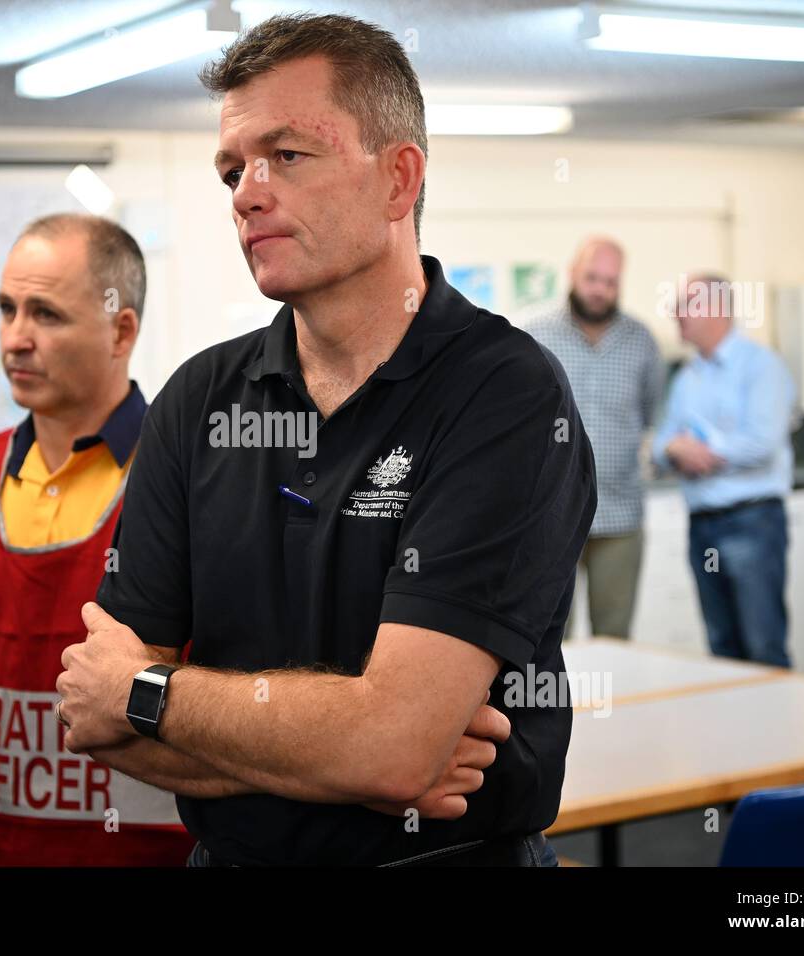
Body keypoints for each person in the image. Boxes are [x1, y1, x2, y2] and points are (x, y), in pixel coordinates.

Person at [54, 13, 596, 866]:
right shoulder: (197, 400)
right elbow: (98, 724)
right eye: (233, 169)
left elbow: (391, 746)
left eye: (288, 156)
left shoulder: (506, 393)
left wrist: (148, 696)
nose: (246, 192)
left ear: (398, 180)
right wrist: (353, 755)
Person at [0, 213, 197, 865]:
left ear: (121, 330)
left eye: (46, 315)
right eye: (7, 309)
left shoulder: (191, 483)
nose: (15, 340)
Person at [652, 274, 795, 667]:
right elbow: (663, 444)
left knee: (763, 644)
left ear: (715, 308)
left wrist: (700, 452)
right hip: (703, 527)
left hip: (752, 522)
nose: (675, 313)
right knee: (722, 648)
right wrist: (673, 448)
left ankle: (775, 728)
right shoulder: (686, 378)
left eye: (685, 304)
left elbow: (763, 442)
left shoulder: (761, 366)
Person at [527, 237, 665, 639]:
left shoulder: (642, 342)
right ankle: (550, 706)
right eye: (592, 277)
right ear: (572, 273)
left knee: (615, 638)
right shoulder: (532, 334)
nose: (599, 289)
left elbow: (651, 412)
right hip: (549, 516)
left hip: (620, 514)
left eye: (610, 281)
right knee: (545, 638)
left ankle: (611, 704)